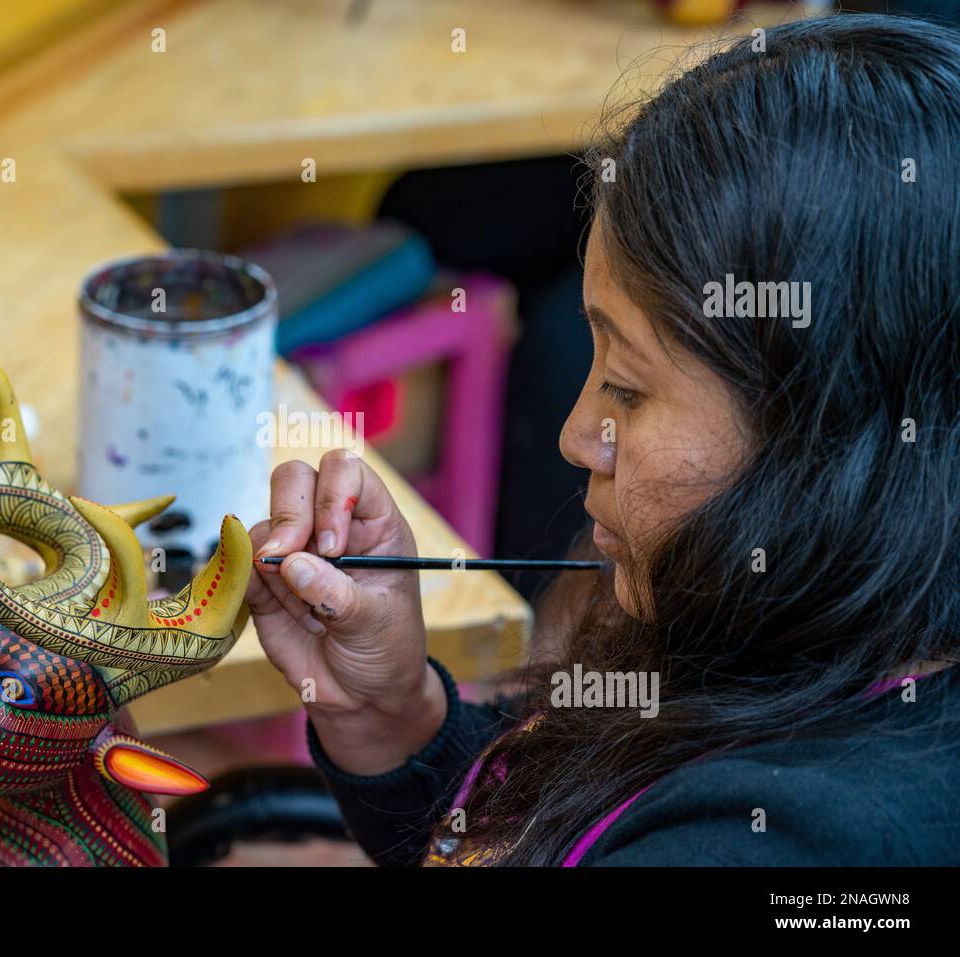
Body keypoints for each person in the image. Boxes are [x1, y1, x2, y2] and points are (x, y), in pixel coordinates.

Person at [245, 14, 960, 866]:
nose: (579, 435)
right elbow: (542, 823)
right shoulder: (789, 638)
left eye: (628, 385)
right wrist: (391, 714)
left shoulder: (769, 847)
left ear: (824, 446)